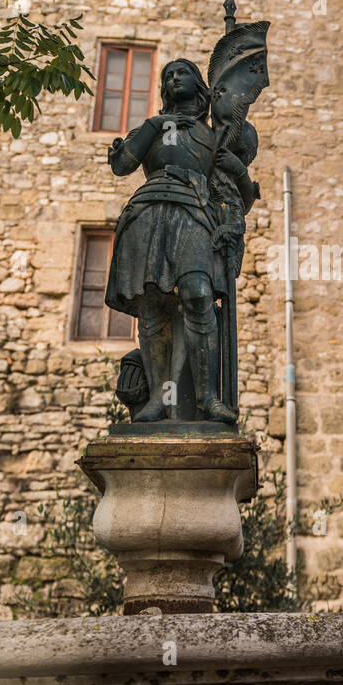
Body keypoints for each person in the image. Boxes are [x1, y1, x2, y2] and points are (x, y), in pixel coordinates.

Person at [104, 58, 236, 424]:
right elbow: (123, 165)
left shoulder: (212, 134)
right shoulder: (154, 127)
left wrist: (234, 206)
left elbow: (232, 190)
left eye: (182, 73)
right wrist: (154, 125)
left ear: (198, 84)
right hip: (148, 211)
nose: (175, 79)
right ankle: (160, 399)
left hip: (194, 209)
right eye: (168, 76)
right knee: (152, 306)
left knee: (198, 294)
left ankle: (208, 398)